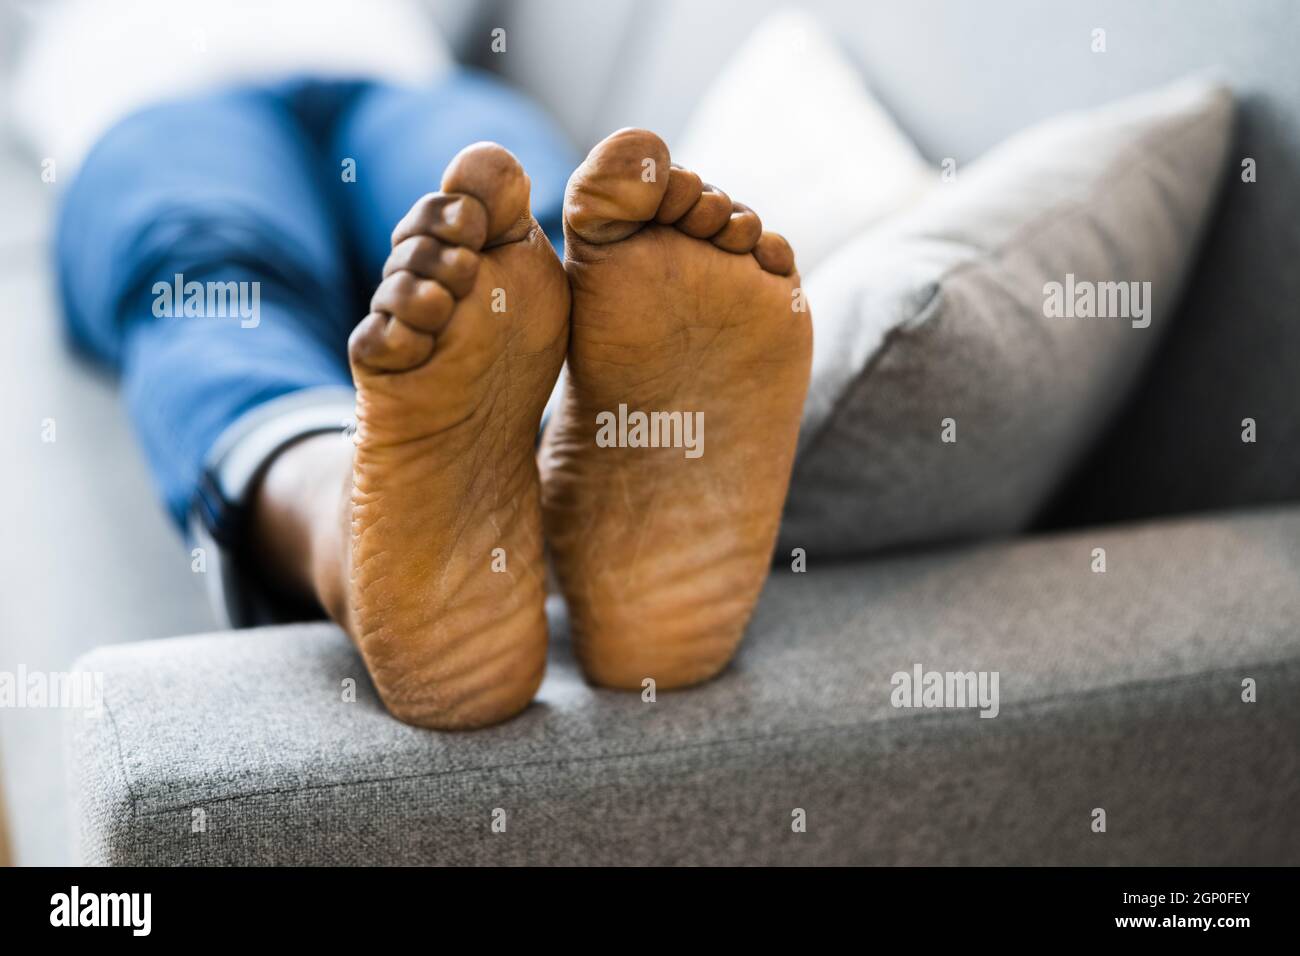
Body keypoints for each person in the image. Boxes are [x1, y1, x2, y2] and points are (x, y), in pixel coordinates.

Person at [58, 71, 812, 730]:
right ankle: (361, 520)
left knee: (498, 227)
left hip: (401, 85)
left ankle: (392, 502)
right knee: (220, 264)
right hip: (169, 101)